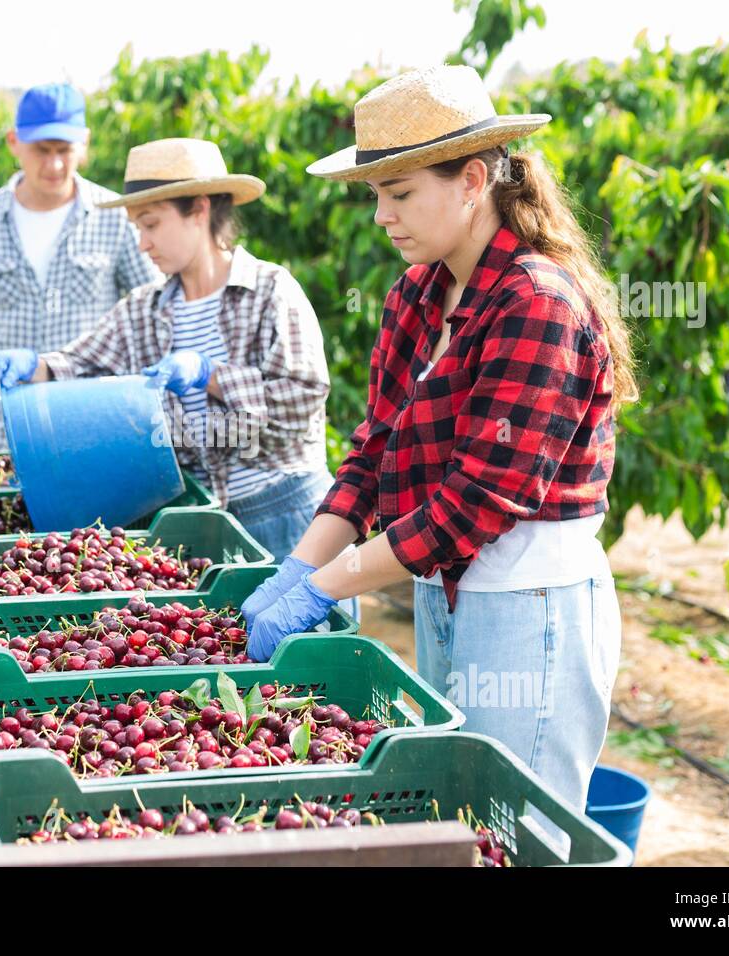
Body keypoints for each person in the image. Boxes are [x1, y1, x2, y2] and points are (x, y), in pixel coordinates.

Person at [241, 66, 639, 811]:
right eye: (376, 197)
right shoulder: (419, 293)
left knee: (516, 827)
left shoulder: (537, 304)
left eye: (400, 194)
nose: (383, 216)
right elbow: (373, 454)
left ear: (472, 181)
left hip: (530, 607)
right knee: (460, 815)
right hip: (441, 593)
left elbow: (473, 505)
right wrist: (295, 567)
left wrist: (322, 591)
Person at [0, 137, 336, 565]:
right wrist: (32, 366)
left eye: (151, 225)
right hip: (202, 524)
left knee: (306, 631)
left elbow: (302, 405)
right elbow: (78, 367)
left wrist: (212, 375)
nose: (143, 243)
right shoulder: (143, 310)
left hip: (285, 516)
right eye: (138, 228)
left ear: (200, 210)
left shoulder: (269, 291)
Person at [0, 83, 158, 453]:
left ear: (85, 143)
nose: (54, 164)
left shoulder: (115, 218)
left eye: (65, 150)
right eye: (41, 151)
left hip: (91, 429)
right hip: (4, 433)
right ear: (14, 142)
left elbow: (154, 313)